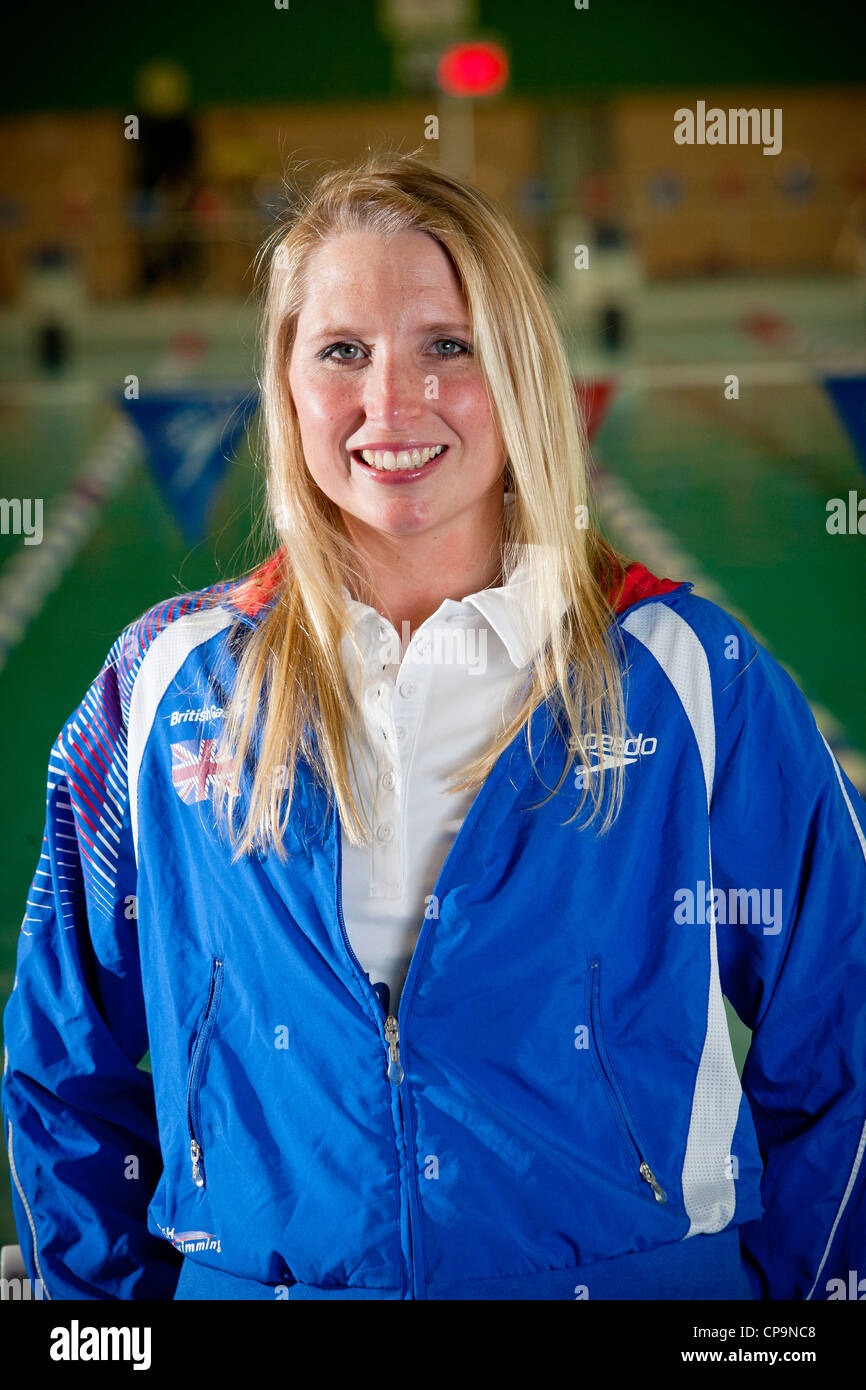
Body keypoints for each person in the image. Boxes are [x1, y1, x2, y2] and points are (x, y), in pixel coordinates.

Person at [3, 150, 865, 1302]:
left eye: (445, 347)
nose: (390, 404)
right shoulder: (164, 689)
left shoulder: (687, 678)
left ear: (516, 370)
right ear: (288, 383)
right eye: (342, 351)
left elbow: (845, 1035)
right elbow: (64, 1064)